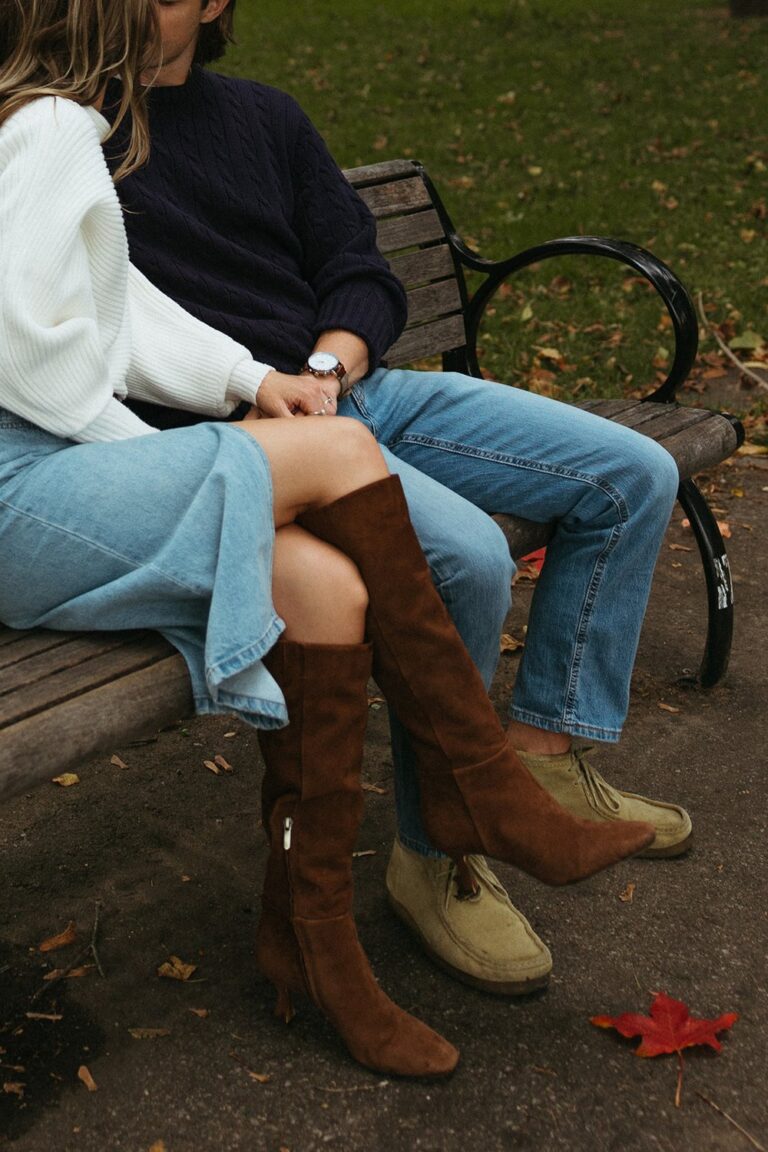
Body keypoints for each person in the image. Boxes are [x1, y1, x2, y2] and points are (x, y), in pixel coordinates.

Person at [0, 0, 654, 1079]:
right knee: (345, 461)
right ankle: (474, 782)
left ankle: (312, 940)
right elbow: (31, 354)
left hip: (78, 467)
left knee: (329, 597)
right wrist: (167, 457)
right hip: (32, 484)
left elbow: (125, 311)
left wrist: (258, 381)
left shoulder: (69, 122)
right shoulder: (52, 129)